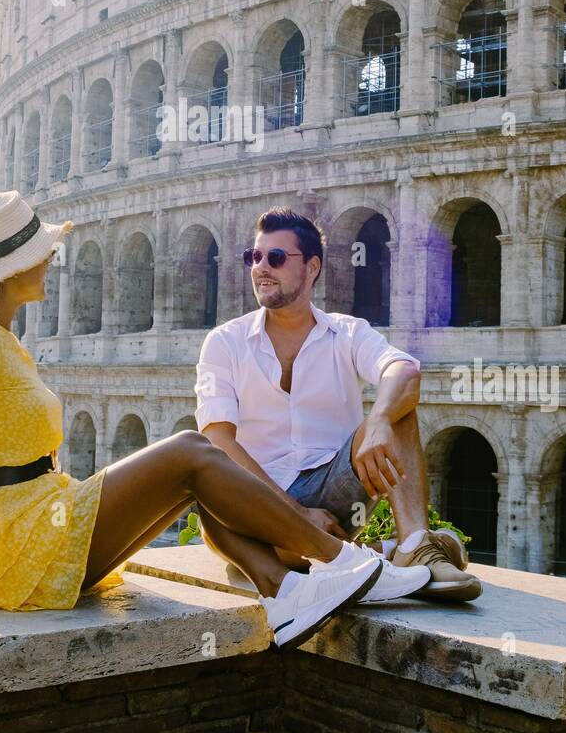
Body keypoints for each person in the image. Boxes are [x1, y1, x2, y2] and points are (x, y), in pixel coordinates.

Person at [0, 192, 427, 650]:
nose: (50, 259)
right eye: (38, 252)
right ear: (7, 269)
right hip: (17, 548)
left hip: (36, 528)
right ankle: (342, 563)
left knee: (198, 478)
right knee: (193, 450)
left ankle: (287, 592)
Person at [194, 207, 482, 603]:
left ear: (312, 267)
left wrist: (380, 418)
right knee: (242, 540)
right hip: (260, 499)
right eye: (254, 257)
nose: (261, 267)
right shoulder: (224, 342)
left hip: (337, 488)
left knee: (397, 406)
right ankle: (388, 555)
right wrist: (295, 514)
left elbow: (404, 370)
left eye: (276, 258)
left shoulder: (346, 332)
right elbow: (218, 442)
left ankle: (416, 543)